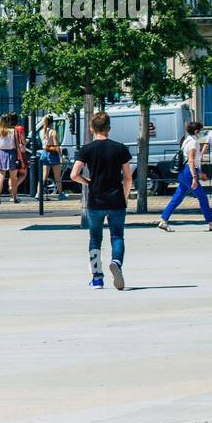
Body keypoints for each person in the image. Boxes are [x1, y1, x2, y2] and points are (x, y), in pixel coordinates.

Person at [71, 110, 133, 290]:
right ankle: (116, 263)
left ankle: (97, 278)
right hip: (116, 200)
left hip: (96, 200)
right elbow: (128, 177)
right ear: (109, 128)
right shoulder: (120, 148)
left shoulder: (87, 149)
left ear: (92, 129)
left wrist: (88, 181)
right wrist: (125, 196)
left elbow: (74, 174)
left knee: (95, 239)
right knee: (117, 236)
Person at [158, 121, 212, 232]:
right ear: (196, 131)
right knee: (202, 197)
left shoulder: (187, 141)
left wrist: (199, 173)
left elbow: (190, 161)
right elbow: (191, 160)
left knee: (177, 198)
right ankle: (211, 223)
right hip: (189, 174)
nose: (203, 133)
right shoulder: (193, 143)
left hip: (185, 173)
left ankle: (163, 220)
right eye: (201, 130)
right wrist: (195, 177)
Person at [37, 115, 68, 200]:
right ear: (52, 122)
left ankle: (38, 193)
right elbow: (56, 145)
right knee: (57, 176)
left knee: (44, 175)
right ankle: (60, 194)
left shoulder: (42, 132)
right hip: (53, 154)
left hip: (44, 153)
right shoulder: (53, 132)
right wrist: (61, 156)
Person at [0, 115, 20, 204]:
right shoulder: (13, 131)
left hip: (0, 153)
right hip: (11, 153)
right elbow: (17, 146)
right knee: (13, 178)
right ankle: (14, 197)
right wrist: (20, 157)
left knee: (0, 177)